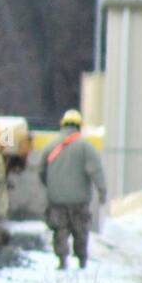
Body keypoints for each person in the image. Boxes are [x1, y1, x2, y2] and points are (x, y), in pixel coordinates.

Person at [38, 109, 106, 269]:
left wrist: (51, 187)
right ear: (79, 126)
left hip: (57, 199)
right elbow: (96, 171)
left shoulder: (50, 146)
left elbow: (42, 172)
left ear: (62, 125)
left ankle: (62, 260)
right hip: (79, 200)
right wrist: (102, 191)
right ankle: (81, 261)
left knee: (60, 230)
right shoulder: (85, 147)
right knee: (80, 231)